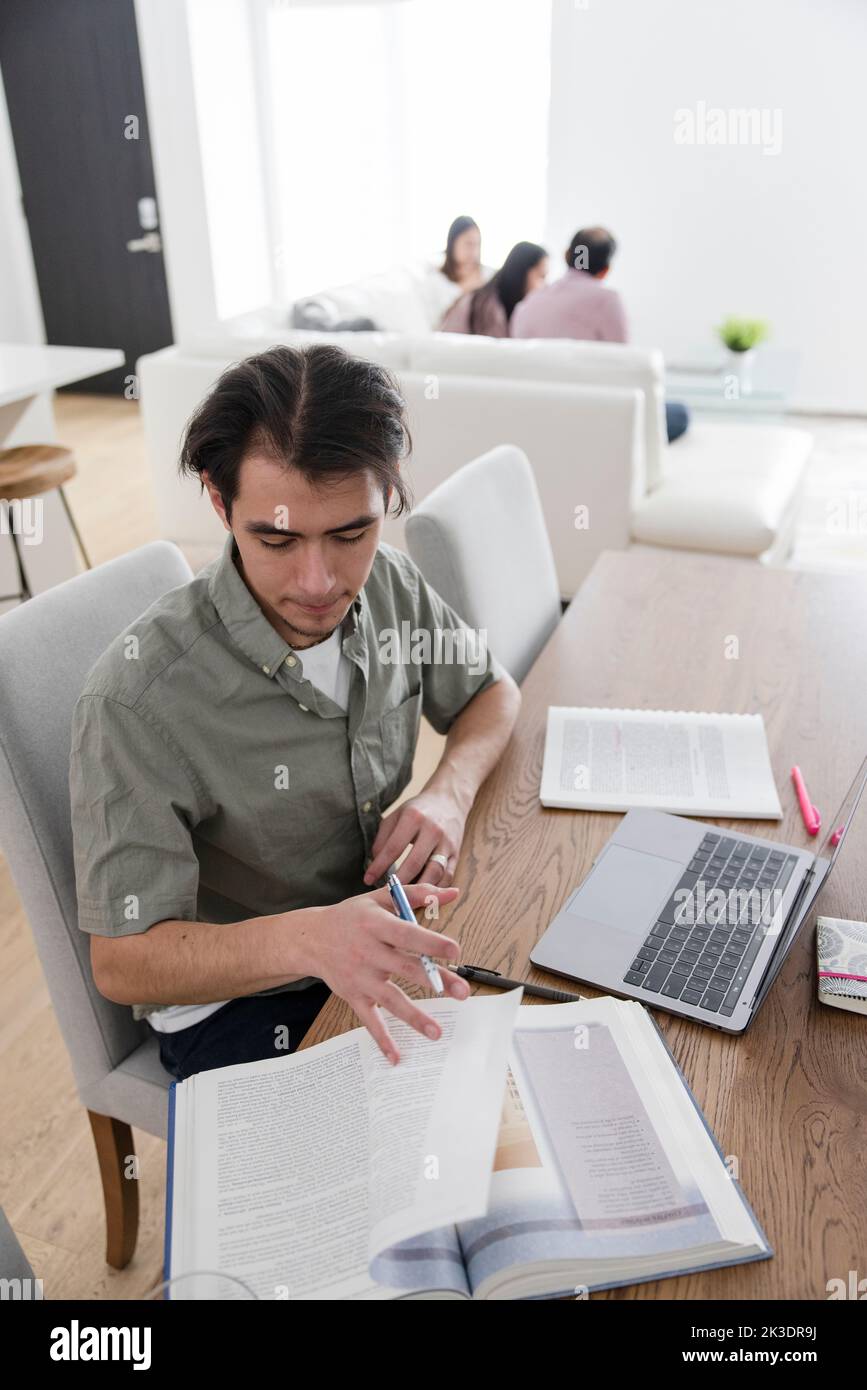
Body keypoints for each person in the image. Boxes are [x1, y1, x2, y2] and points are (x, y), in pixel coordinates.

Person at [69, 344, 521, 1081]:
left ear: (387, 499)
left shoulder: (391, 588)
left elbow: (491, 691)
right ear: (220, 503)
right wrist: (311, 940)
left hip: (378, 928)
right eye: (276, 539)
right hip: (236, 1002)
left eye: (351, 534)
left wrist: (450, 788)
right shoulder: (134, 701)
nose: (318, 582)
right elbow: (124, 962)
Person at [511, 226, 689, 442]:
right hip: (589, 416)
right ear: (606, 269)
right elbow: (625, 366)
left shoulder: (527, 305)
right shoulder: (608, 300)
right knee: (680, 413)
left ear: (567, 255)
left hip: (535, 412)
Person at [439, 241, 548, 338]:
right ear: (522, 273)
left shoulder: (502, 303)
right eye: (541, 276)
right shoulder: (487, 307)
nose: (545, 286)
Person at [440, 215, 486, 293]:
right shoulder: (435, 280)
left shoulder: (488, 276)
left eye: (477, 244)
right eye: (469, 244)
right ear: (452, 243)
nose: (474, 252)